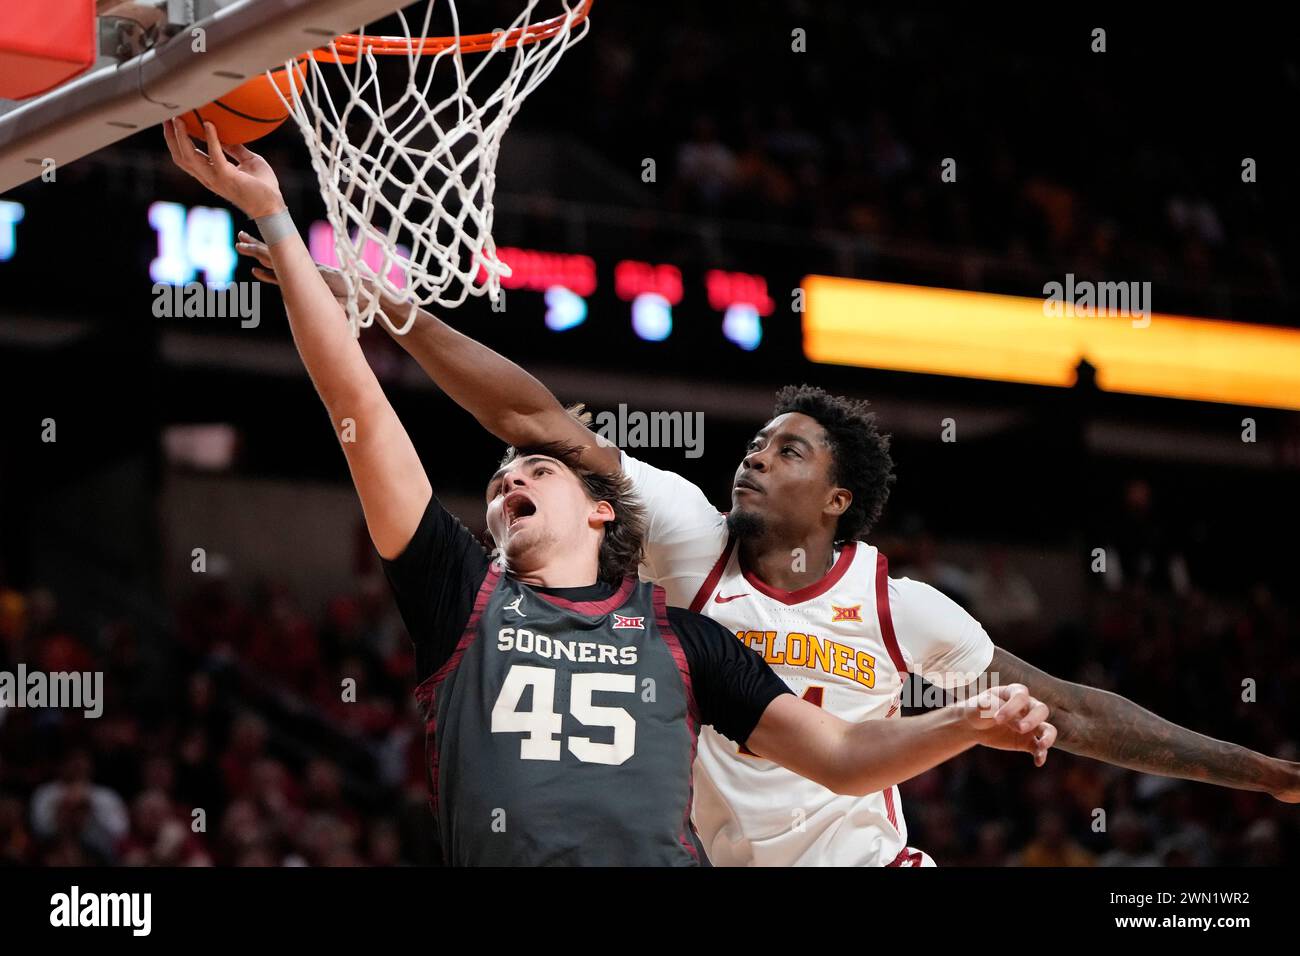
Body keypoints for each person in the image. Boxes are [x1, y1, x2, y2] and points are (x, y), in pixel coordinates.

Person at [237, 220, 1300, 867]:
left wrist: (1264, 776)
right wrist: (403, 318)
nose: (752, 458)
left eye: (784, 451)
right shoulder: (687, 535)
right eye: (752, 443)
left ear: (838, 497)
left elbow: (1072, 709)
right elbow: (538, 422)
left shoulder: (901, 607)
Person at [162, 120, 1057, 866]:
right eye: (500, 478)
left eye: (534, 469)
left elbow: (846, 757)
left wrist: (964, 725)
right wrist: (279, 216)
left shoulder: (687, 638)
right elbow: (356, 399)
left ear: (601, 510)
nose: (509, 474)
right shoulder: (460, 599)